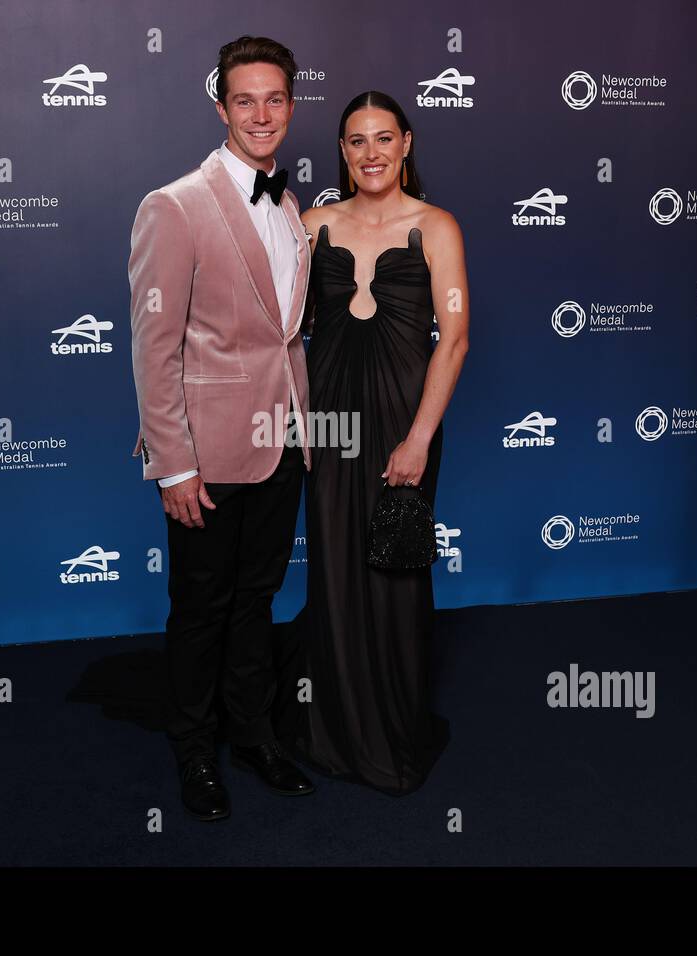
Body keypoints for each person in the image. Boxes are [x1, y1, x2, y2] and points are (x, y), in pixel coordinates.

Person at [127, 36, 317, 821]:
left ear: (291, 105)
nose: (261, 114)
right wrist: (173, 464)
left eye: (275, 99)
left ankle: (255, 735)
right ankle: (195, 753)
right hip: (206, 450)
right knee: (202, 605)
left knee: (258, 598)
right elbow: (154, 345)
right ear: (221, 107)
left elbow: (284, 334)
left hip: (285, 441)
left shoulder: (292, 202)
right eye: (246, 100)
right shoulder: (175, 204)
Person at [275, 91, 469, 796]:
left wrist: (418, 438)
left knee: (394, 575)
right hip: (328, 422)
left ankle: (390, 731)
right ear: (343, 151)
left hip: (400, 423)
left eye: (384, 138)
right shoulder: (314, 222)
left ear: (407, 143)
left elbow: (455, 341)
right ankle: (331, 730)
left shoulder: (436, 227)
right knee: (332, 567)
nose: (371, 153)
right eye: (356, 142)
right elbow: (283, 330)